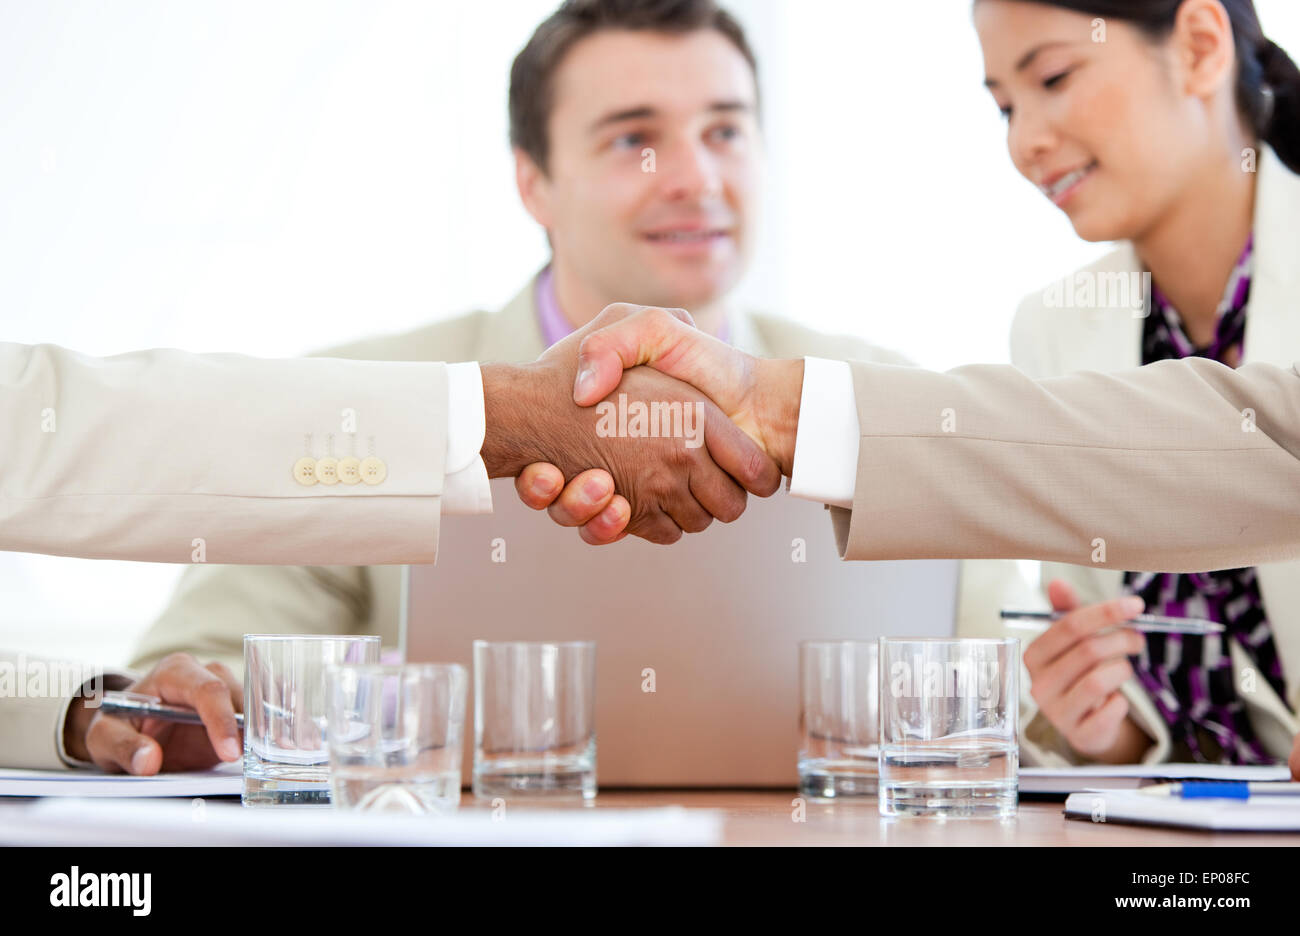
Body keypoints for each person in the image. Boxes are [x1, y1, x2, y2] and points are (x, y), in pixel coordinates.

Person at [8, 0, 905, 773]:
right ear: (533, 183)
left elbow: (1001, 697)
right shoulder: (355, 397)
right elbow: (203, 667)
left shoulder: (879, 398)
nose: (695, 179)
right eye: (635, 138)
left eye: (725, 130)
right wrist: (213, 699)